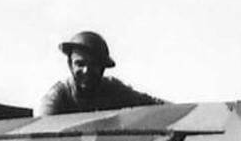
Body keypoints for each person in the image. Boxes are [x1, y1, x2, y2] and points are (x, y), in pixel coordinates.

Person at [35, 30, 166, 116]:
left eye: (93, 65)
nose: (86, 71)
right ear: (70, 65)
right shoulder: (57, 97)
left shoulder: (113, 89)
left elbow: (154, 105)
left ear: (103, 68)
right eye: (80, 64)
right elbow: (39, 133)